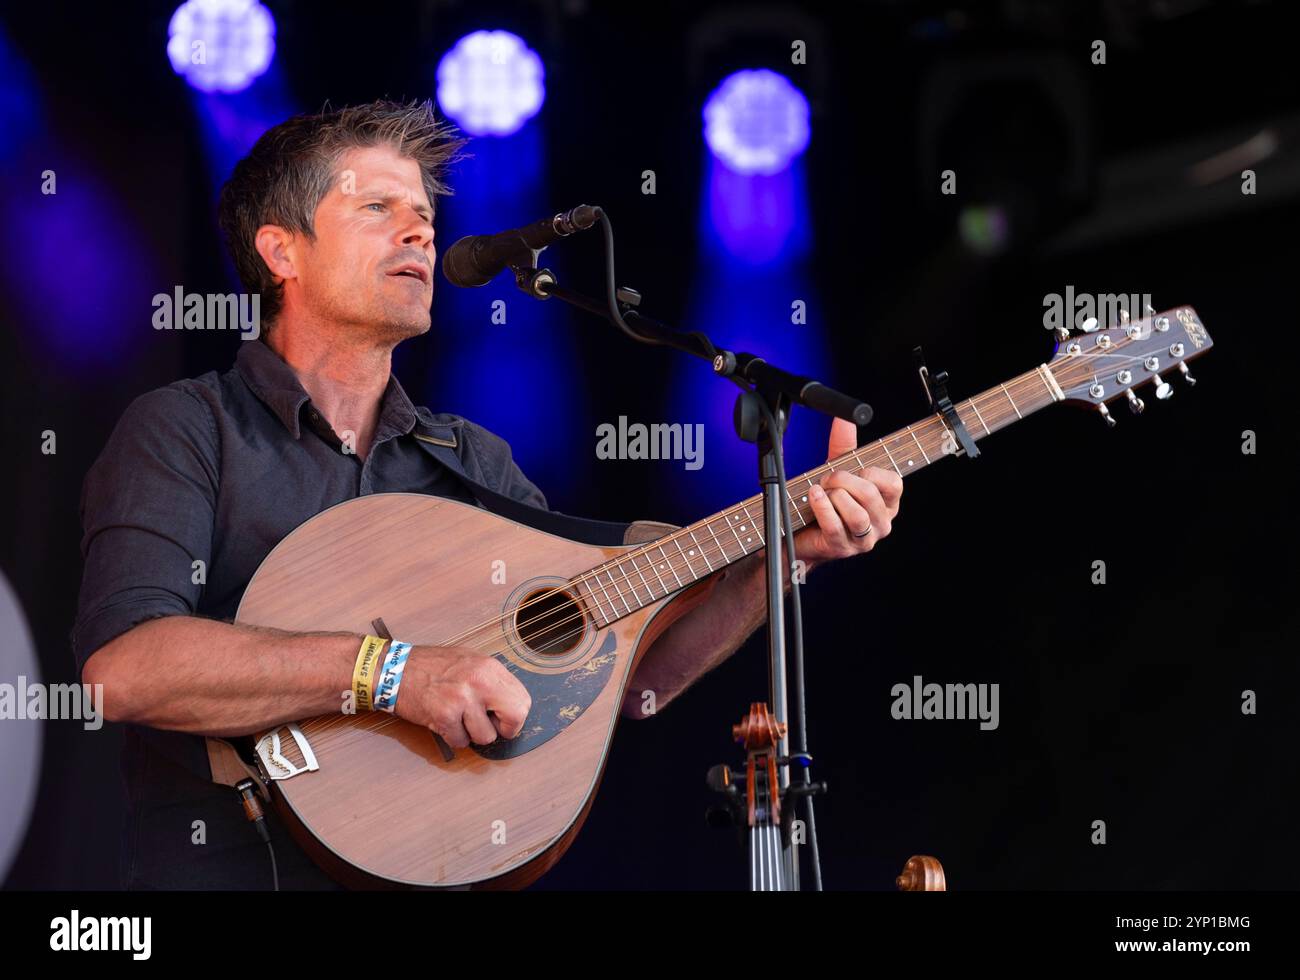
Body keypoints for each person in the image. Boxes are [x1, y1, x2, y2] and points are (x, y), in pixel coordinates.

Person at [72, 100, 902, 889]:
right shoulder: (186, 429)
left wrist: (779, 561)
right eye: (377, 208)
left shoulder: (469, 459)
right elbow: (125, 670)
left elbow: (632, 680)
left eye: (426, 213)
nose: (421, 229)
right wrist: (391, 673)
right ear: (281, 252)